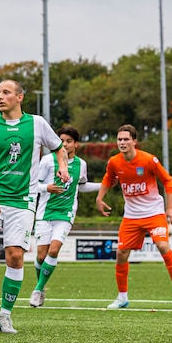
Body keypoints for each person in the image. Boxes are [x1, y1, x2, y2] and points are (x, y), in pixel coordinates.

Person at [0, 80, 68, 336]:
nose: (0, 97)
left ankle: (5, 316)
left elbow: (59, 149)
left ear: (20, 97)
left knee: (15, 256)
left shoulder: (37, 123)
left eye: (6, 92)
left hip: (23, 201)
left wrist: (63, 167)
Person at [96, 125, 172, 309]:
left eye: (126, 139)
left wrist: (170, 208)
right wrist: (99, 198)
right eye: (119, 139)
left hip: (154, 213)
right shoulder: (114, 162)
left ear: (134, 141)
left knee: (162, 245)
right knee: (121, 253)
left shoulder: (148, 160)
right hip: (131, 216)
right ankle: (122, 297)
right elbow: (108, 178)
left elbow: (168, 181)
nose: (122, 143)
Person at [30, 126, 102, 306]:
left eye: (69, 141)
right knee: (41, 256)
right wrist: (47, 188)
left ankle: (38, 290)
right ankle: (41, 287)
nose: (64, 144)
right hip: (44, 213)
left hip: (65, 214)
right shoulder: (47, 161)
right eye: (61, 141)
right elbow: (32, 185)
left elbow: (81, 186)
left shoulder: (81, 164)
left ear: (76, 144)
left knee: (53, 251)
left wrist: (103, 185)